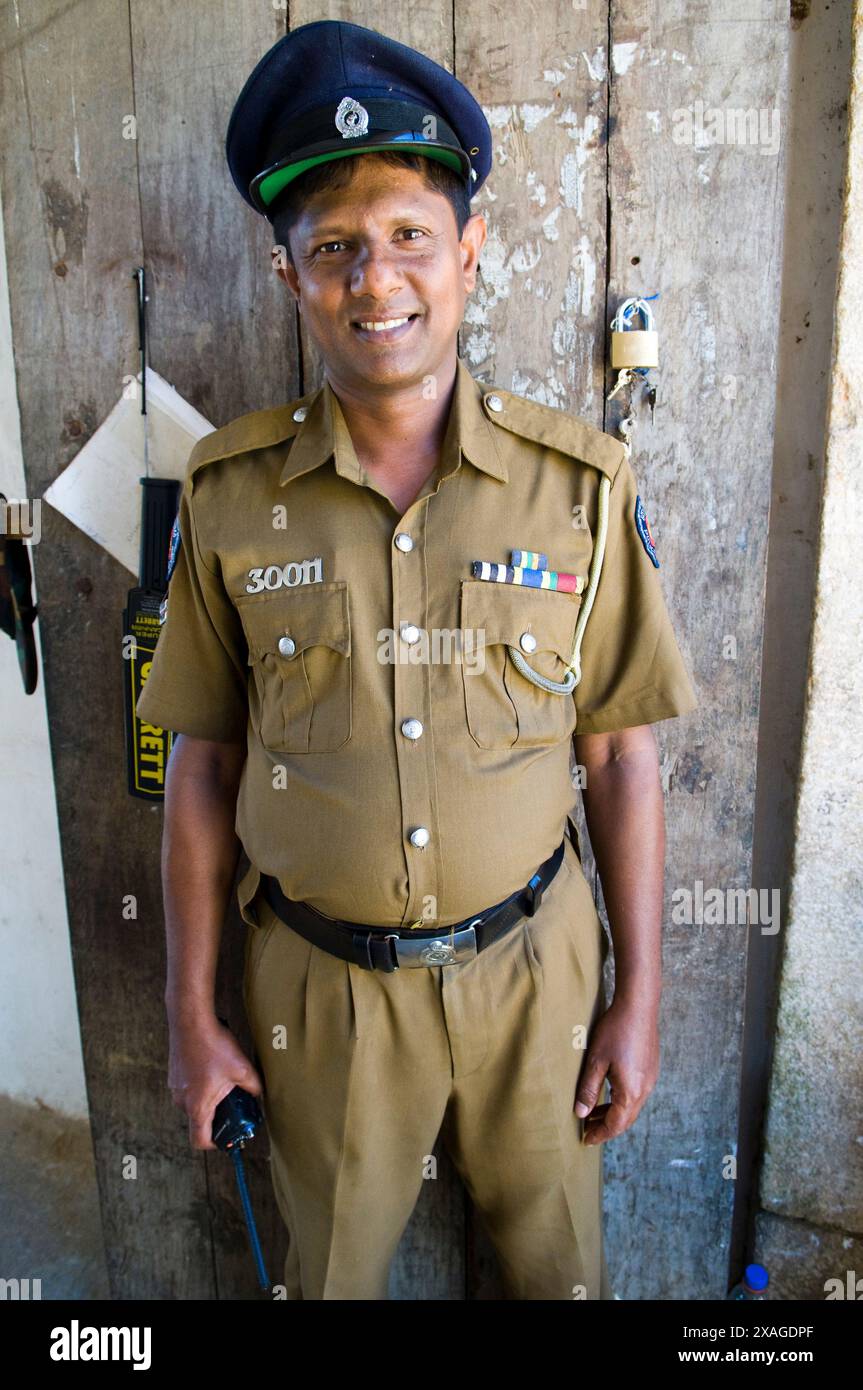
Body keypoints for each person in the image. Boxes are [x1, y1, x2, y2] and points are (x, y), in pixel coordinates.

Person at [136, 19, 697, 1301]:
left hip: (536, 973)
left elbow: (617, 755)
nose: (373, 278)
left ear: (469, 250)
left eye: (407, 237)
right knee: (324, 1283)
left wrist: (637, 996)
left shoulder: (577, 488)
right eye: (330, 248)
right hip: (318, 999)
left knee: (559, 1278)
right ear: (289, 278)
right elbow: (201, 769)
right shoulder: (227, 497)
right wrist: (191, 1016)